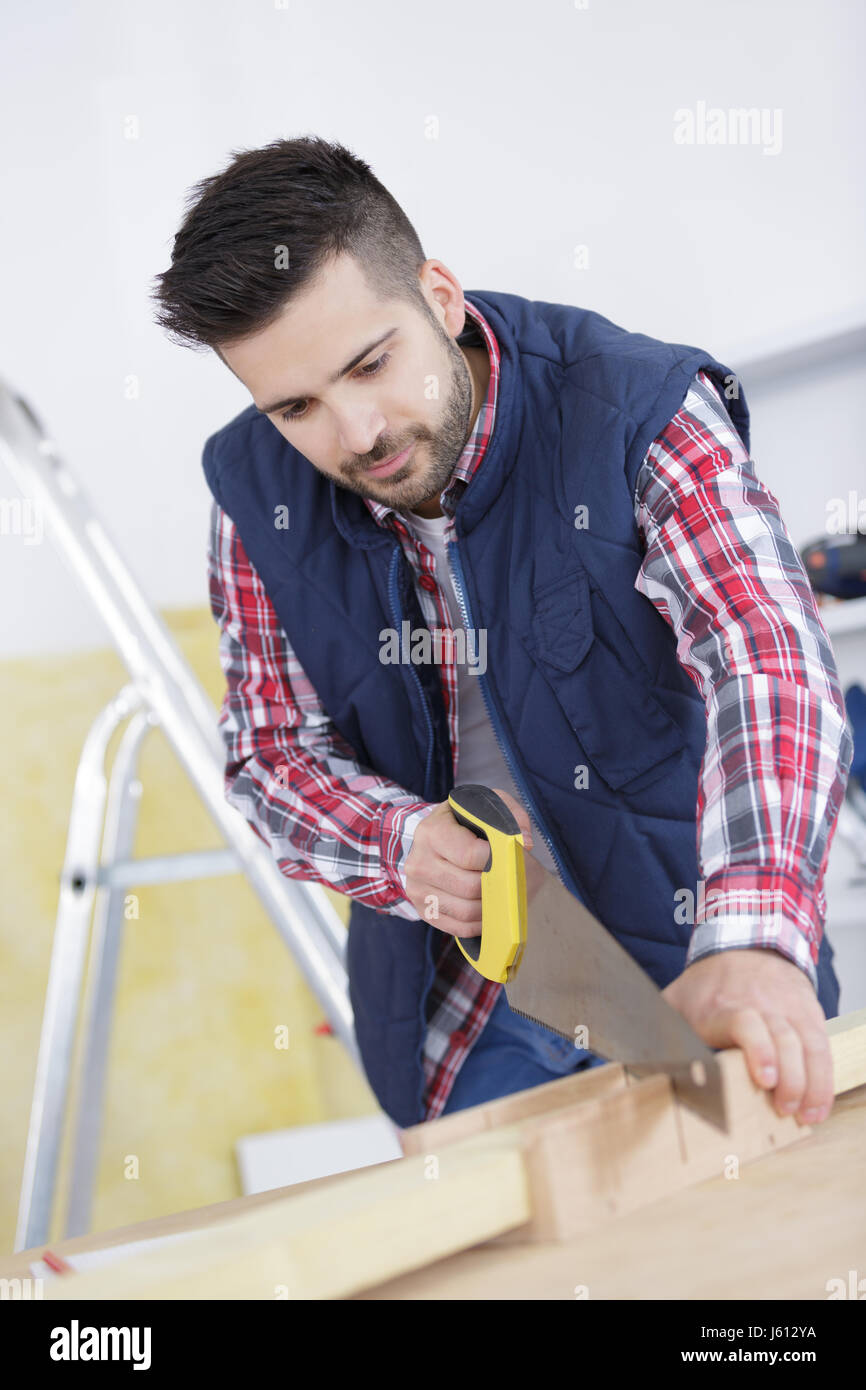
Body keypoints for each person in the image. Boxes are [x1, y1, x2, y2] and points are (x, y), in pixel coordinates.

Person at [151, 136, 853, 1131]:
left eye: (369, 364)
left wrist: (750, 934)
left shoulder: (633, 406)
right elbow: (270, 756)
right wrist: (396, 843)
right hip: (465, 1014)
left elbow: (765, 656)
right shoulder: (253, 493)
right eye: (297, 406)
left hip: (700, 965)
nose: (355, 433)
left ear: (439, 295)